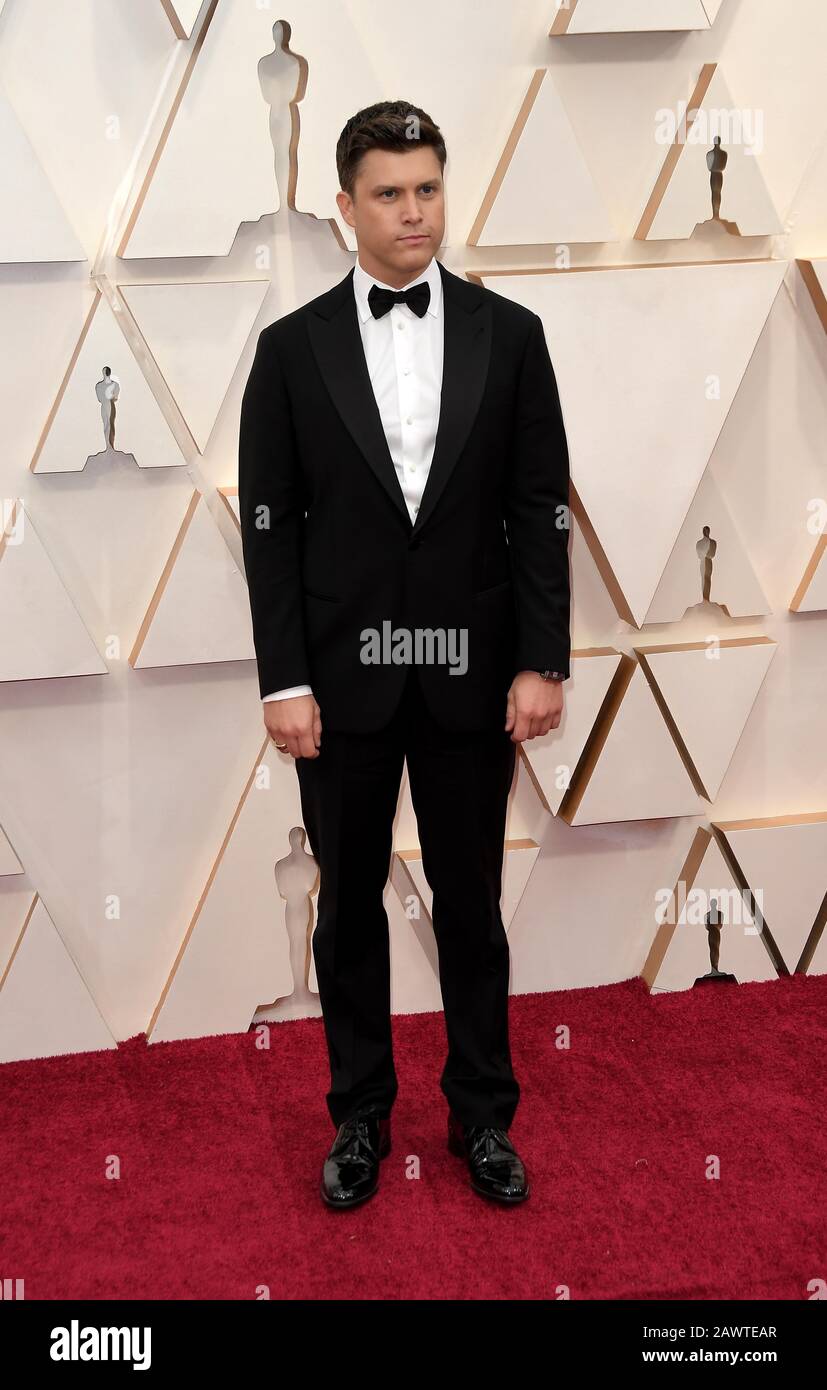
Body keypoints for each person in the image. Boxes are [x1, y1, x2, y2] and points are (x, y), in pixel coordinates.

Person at [239, 100, 571, 1209]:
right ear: (344, 209)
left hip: (476, 672)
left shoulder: (510, 335)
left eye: (426, 187)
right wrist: (283, 677)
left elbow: (536, 506)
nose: (412, 210)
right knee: (348, 910)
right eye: (388, 192)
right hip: (339, 681)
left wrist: (541, 660)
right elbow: (270, 522)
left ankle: (482, 1116)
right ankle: (360, 1119)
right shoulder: (289, 353)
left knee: (472, 903)